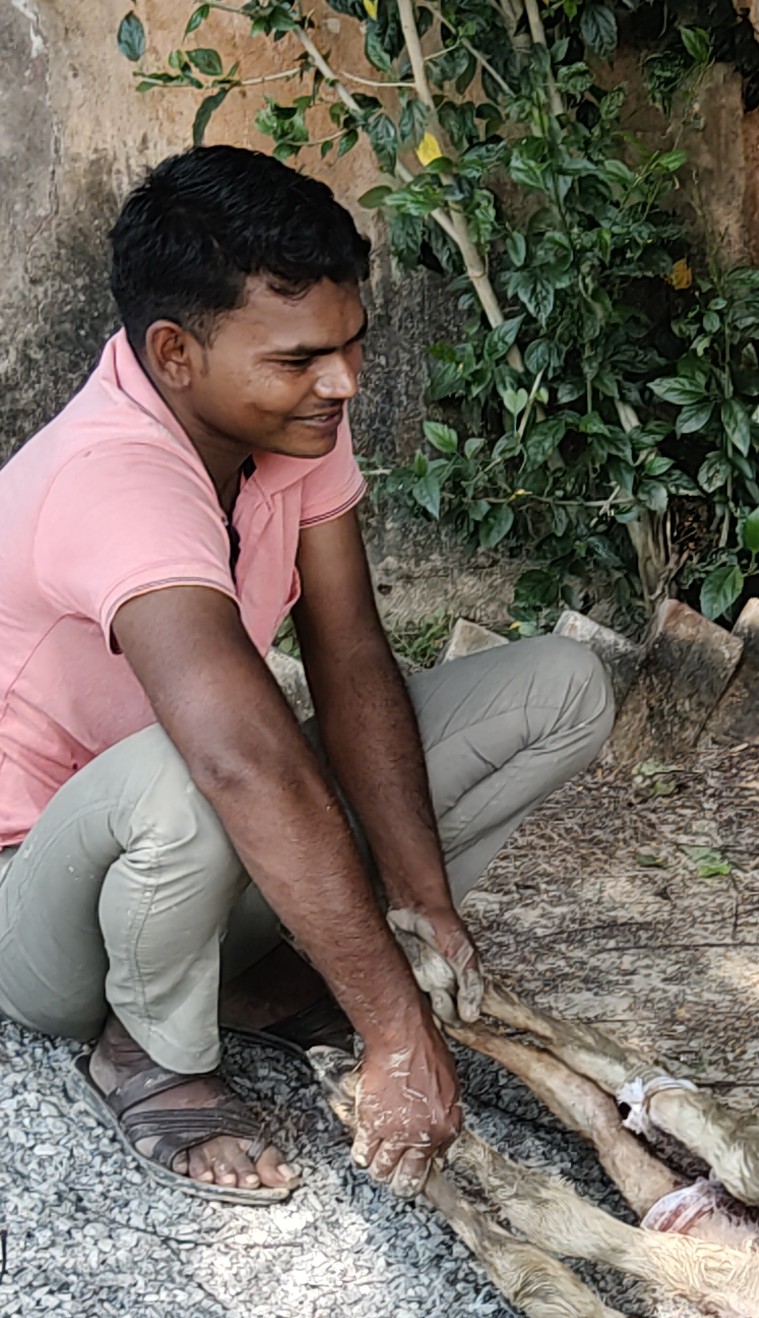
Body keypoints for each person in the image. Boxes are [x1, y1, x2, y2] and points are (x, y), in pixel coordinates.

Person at [0, 146, 612, 1203]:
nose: (346, 382)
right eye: (300, 359)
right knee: (201, 763)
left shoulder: (288, 424)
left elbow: (352, 656)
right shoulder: (111, 476)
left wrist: (421, 903)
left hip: (194, 851)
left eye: (352, 345)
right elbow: (239, 759)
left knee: (560, 688)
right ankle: (149, 1049)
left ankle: (276, 985)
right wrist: (396, 1030)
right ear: (174, 353)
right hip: (41, 907)